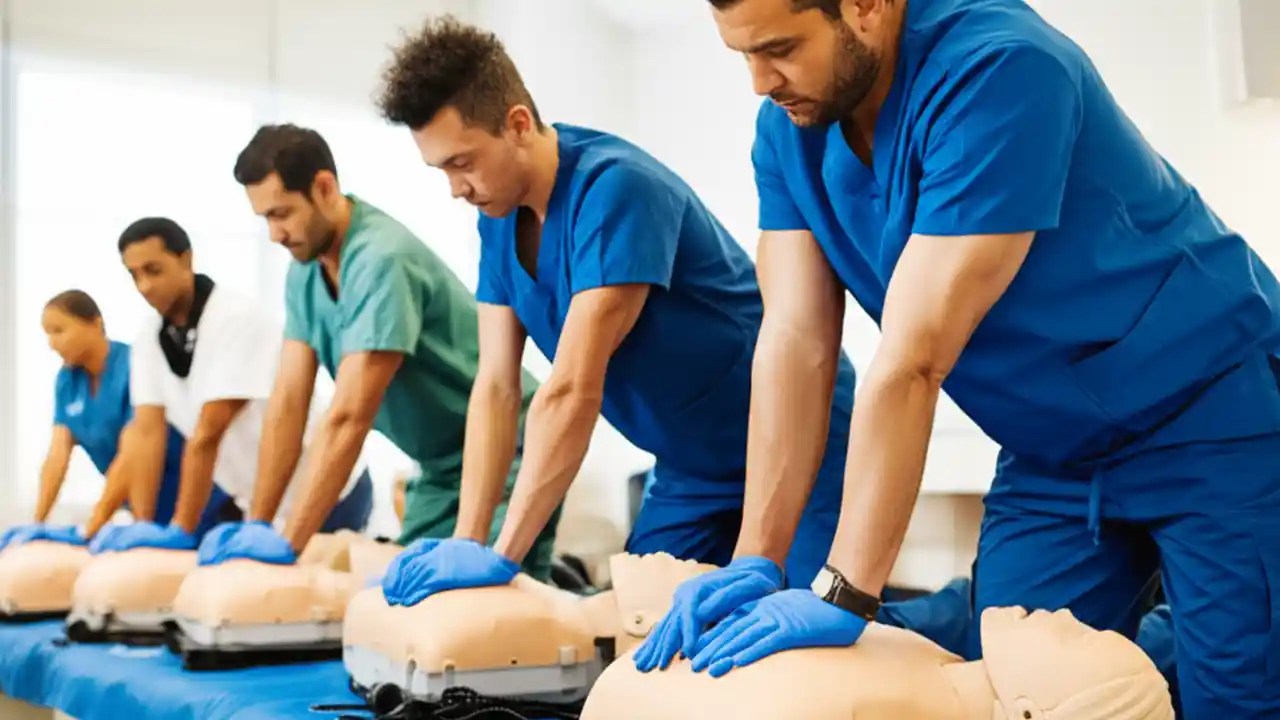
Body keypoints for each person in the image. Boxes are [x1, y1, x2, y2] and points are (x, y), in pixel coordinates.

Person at [654, 0, 1280, 717]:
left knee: (1239, 696)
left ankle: (1187, 643)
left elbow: (915, 358)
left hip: (1210, 411)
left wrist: (846, 588)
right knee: (1016, 691)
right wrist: (755, 559)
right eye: (744, 55)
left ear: (866, 7)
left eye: (781, 48)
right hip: (1053, 451)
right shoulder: (791, 131)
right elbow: (794, 340)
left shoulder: (1001, 67)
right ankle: (1165, 640)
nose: (760, 81)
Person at [372, 16, 892, 632]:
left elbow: (571, 389)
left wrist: (502, 555)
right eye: (443, 171)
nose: (457, 188)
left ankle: (947, 617)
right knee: (644, 627)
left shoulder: (615, 187)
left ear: (515, 124)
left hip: (797, 437)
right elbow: (495, 387)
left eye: (463, 163)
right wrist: (467, 540)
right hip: (690, 466)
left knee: (809, 635)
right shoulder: (496, 219)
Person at [200, 124, 558, 575]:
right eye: (265, 219)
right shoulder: (304, 274)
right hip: (441, 468)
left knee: (490, 609)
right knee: (404, 600)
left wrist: (289, 545)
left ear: (324, 187)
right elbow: (287, 405)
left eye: (282, 213)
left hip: (509, 447)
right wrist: (260, 526)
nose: (275, 234)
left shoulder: (381, 258)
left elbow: (350, 417)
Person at [92, 216, 373, 554]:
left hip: (330, 490)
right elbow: (145, 434)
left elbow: (209, 432)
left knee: (311, 591)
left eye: (153, 270)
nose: (144, 286)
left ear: (186, 259)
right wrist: (141, 526)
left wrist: (183, 527)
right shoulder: (150, 336)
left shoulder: (236, 318)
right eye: (134, 275)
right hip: (265, 503)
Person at [0, 291, 230, 553]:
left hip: (202, 511)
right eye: (47, 334)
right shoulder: (67, 381)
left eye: (59, 330)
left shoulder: (135, 365)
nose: (52, 343)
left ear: (95, 323)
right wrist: (37, 524)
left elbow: (131, 454)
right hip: (149, 520)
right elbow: (57, 457)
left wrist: (93, 526)